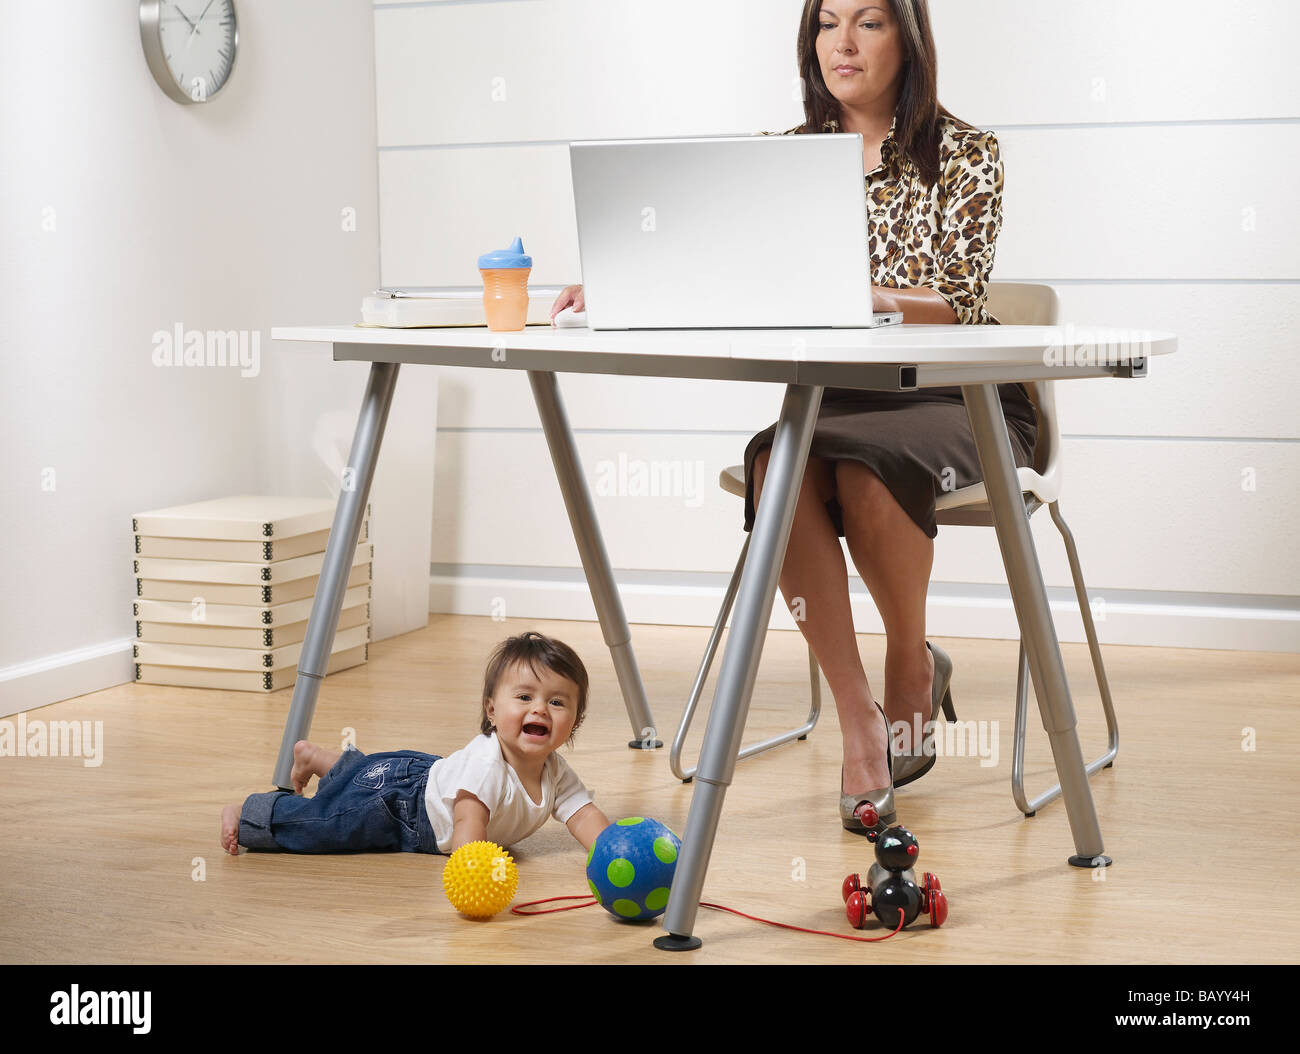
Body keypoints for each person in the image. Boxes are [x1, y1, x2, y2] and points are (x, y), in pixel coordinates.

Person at [552, 1, 1036, 835]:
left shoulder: (967, 154)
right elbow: (716, 262)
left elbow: (959, 303)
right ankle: (861, 725)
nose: (841, 44)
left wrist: (868, 296)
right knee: (782, 464)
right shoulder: (786, 161)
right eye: (826, 23)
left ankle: (910, 669)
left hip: (958, 396)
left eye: (869, 22)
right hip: (837, 396)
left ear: (909, 37)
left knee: (861, 468)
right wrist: (625, 281)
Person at [219, 631, 611, 855]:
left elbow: (584, 817)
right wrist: (472, 866)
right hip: (401, 807)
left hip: (419, 774)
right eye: (524, 698)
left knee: (363, 778)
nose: (540, 709)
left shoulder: (557, 773)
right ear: (491, 711)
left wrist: (615, 851)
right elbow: (468, 821)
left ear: (575, 720)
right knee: (328, 823)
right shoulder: (487, 766)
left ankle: (322, 759)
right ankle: (250, 812)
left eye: (557, 702)